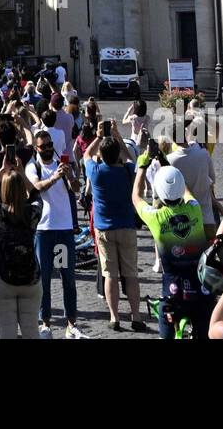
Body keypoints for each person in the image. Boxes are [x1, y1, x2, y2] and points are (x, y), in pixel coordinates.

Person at [132, 151, 210, 339]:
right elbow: (187, 192)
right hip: (200, 289)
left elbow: (136, 197)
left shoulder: (156, 217)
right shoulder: (195, 209)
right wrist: (169, 167)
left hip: (172, 292)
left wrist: (142, 167)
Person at [84, 122, 145, 332]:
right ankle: (136, 316)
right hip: (126, 226)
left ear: (102, 154)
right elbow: (131, 159)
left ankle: (114, 316)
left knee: (110, 275)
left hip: (104, 229)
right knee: (131, 274)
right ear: (117, 153)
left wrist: (99, 136)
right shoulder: (127, 171)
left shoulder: (96, 172)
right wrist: (118, 136)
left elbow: (86, 154)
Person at [26, 129, 83, 338]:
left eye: (50, 145)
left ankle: (71, 323)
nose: (49, 149)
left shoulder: (62, 164)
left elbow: (76, 189)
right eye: (44, 146)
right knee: (44, 280)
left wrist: (70, 176)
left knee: (68, 277)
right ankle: (45, 323)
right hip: (44, 231)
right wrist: (55, 177)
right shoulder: (33, 167)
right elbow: (36, 188)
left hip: (64, 230)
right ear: (36, 148)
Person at [0, 155, 42, 338]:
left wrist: (2, 170)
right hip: (30, 278)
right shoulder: (33, 212)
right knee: (32, 331)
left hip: (1, 276)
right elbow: (36, 194)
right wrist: (22, 174)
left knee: (6, 331)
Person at [167, 129, 219, 238]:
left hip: (183, 222)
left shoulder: (170, 160)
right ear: (185, 135)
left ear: (172, 140)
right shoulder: (204, 154)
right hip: (206, 217)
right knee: (209, 248)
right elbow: (212, 180)